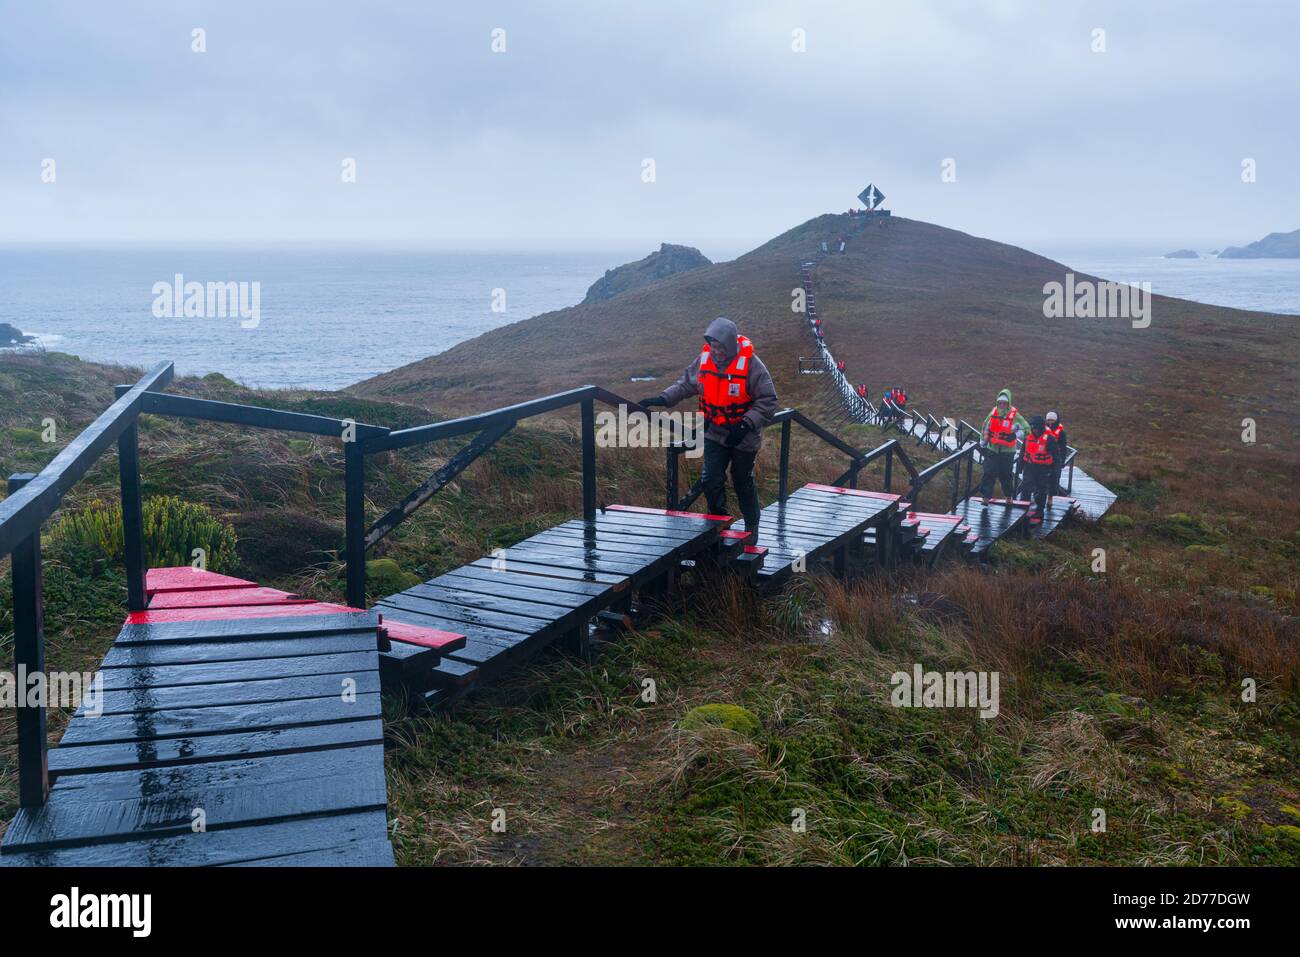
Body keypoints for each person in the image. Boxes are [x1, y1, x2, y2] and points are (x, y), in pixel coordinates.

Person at [640, 316, 778, 544]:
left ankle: (752, 527)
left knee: (742, 480)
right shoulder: (704, 361)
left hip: (744, 436)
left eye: (720, 347)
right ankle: (720, 525)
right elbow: (686, 384)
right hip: (715, 432)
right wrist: (663, 398)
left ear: (731, 345)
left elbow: (769, 400)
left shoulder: (752, 365)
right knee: (711, 480)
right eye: (713, 347)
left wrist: (745, 424)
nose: (716, 352)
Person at [978, 388, 1030, 504]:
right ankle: (986, 497)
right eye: (1000, 402)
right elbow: (985, 427)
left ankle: (1008, 497)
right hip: (992, 448)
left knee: (1005, 474)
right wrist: (983, 441)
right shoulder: (992, 413)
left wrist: (1015, 435)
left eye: (1004, 403)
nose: (1002, 404)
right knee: (988, 472)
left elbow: (1027, 429)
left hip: (1008, 451)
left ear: (1008, 403)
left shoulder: (1015, 416)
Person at [1019, 416, 1059, 524]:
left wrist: (1055, 471)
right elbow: (1023, 452)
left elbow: (1056, 457)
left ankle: (1039, 511)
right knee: (1026, 488)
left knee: (1041, 491)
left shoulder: (1050, 439)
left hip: (1043, 469)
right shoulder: (1028, 438)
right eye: (1033, 428)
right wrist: (1019, 467)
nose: (1034, 430)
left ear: (1041, 428)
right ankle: (1022, 510)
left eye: (1036, 428)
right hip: (1029, 467)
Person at [1045, 410, 1068, 495]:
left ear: (1056, 420)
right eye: (1048, 420)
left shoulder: (1061, 433)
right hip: (1044, 459)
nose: (1050, 422)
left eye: (1052, 420)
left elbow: (1063, 448)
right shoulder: (1043, 429)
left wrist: (1062, 460)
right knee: (1043, 480)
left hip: (1056, 459)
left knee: (1054, 479)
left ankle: (1053, 498)